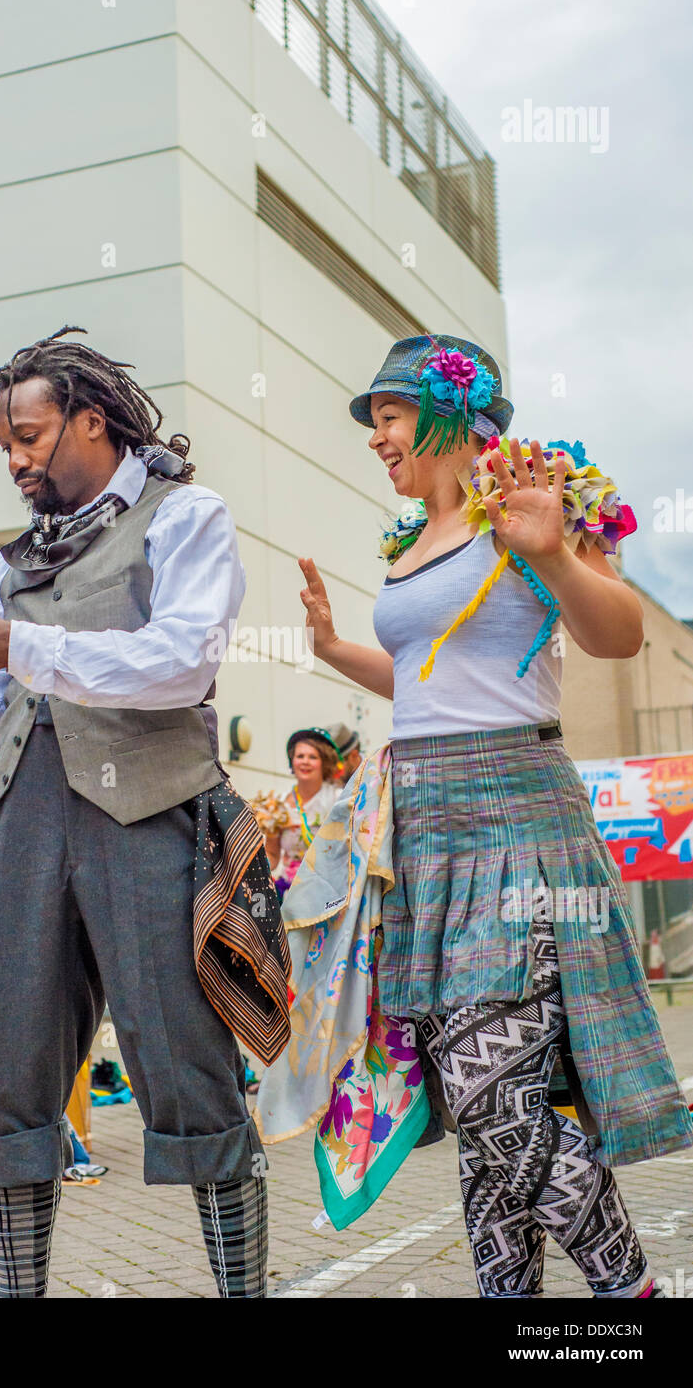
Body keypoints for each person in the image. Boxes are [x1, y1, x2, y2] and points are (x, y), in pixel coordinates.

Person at [0, 327, 289, 1299]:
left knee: (188, 1069)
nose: (13, 457)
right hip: (19, 831)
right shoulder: (16, 567)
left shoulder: (187, 517)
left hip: (150, 817)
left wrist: (19, 645)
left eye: (29, 434)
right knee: (9, 1087)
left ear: (91, 421)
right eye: (5, 441)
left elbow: (181, 660)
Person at [271, 333, 692, 1298]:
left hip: (516, 817)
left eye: (388, 415)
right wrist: (336, 648)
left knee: (486, 1091)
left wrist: (553, 553)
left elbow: (617, 634)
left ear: (449, 412)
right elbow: (431, 683)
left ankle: (632, 1292)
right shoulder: (411, 541)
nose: (376, 437)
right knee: (482, 1113)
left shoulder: (529, 506)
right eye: (374, 420)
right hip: (425, 826)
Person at [263, 727, 342, 895]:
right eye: (300, 756)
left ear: (324, 762)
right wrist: (257, 870)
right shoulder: (278, 804)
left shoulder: (338, 799)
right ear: (292, 761)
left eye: (312, 757)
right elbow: (271, 853)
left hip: (329, 890)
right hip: (291, 891)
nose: (305, 761)